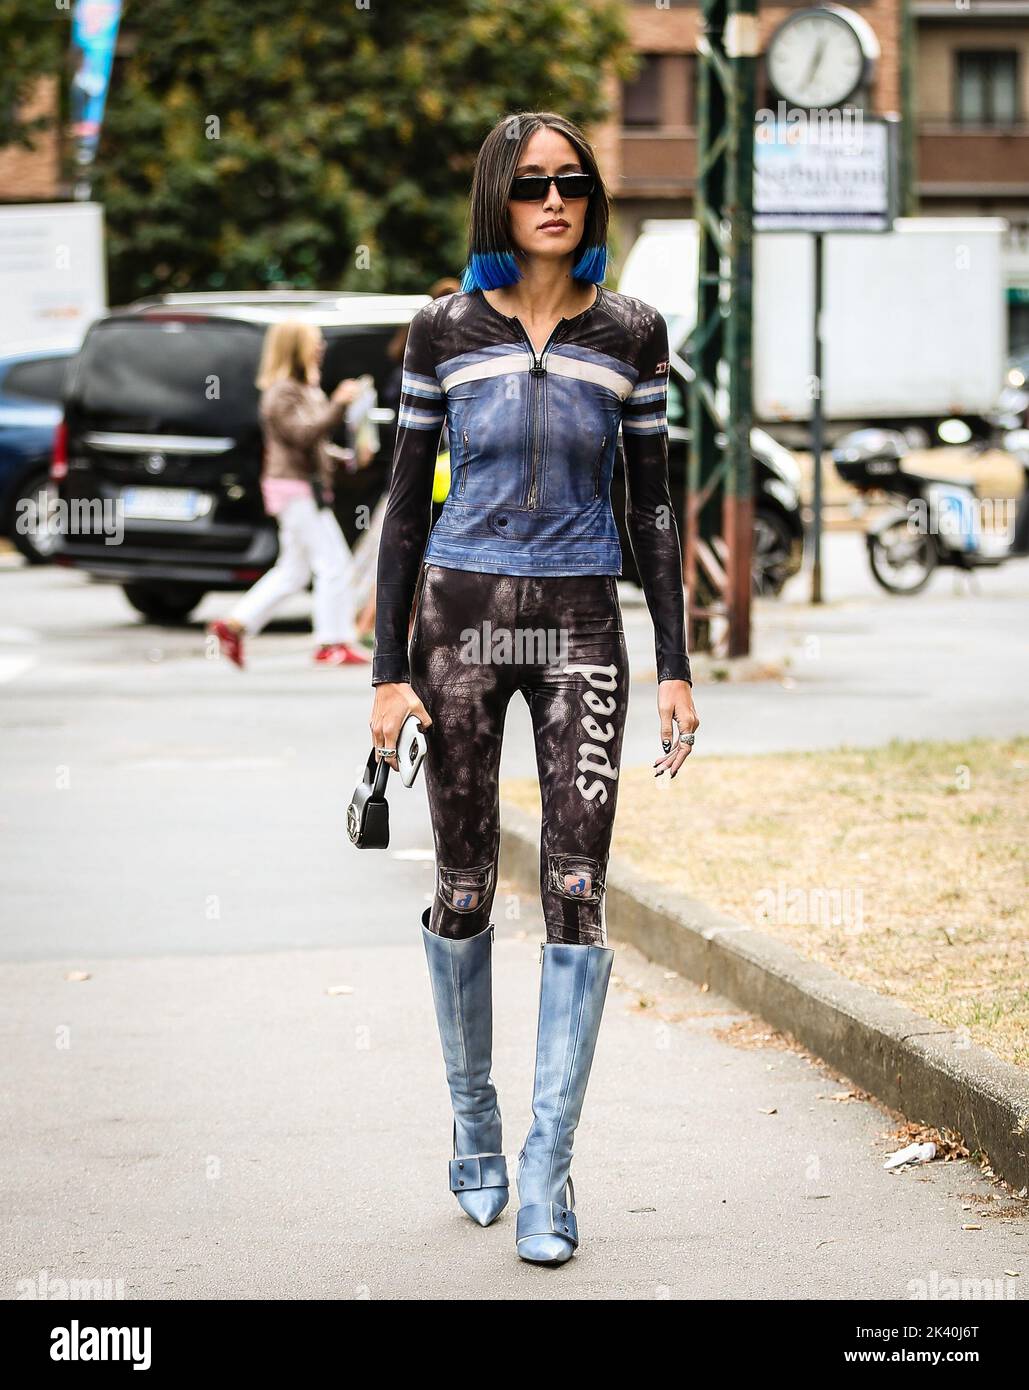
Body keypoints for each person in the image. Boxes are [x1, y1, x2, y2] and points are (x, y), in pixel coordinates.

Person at [369, 111, 700, 1266]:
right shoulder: (441, 332)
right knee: (464, 888)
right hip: (456, 625)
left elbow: (653, 508)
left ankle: (551, 1169)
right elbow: (403, 510)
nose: (553, 199)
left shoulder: (634, 333)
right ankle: (475, 1122)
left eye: (571, 182)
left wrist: (675, 661)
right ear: (497, 202)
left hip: (580, 628)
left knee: (573, 885)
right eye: (530, 184)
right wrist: (385, 675)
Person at [208, 321, 371, 668]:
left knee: (293, 570)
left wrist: (346, 458)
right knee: (334, 564)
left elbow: (315, 445)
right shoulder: (282, 392)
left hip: (302, 486)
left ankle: (235, 624)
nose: (321, 348)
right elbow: (302, 435)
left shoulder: (303, 388)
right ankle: (332, 642)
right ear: (294, 347)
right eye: (313, 342)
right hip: (294, 488)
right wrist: (339, 405)